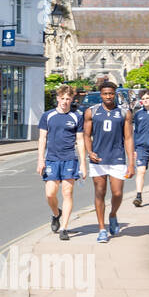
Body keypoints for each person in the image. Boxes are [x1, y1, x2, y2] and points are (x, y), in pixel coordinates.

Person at [82, 80, 134, 242]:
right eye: (105, 94)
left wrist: (131, 162)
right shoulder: (92, 112)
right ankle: (102, 229)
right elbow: (86, 135)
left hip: (117, 157)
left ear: (115, 94)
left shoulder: (124, 113)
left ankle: (112, 215)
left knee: (117, 193)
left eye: (111, 93)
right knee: (100, 193)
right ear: (101, 95)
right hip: (98, 159)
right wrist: (89, 152)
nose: (108, 96)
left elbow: (128, 138)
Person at [37, 85, 88, 242]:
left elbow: (80, 140)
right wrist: (40, 160)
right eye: (62, 98)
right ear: (58, 99)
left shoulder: (76, 117)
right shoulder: (48, 116)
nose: (65, 101)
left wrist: (83, 164)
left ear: (72, 100)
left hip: (69, 159)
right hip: (52, 159)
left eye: (68, 99)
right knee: (50, 193)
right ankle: (56, 214)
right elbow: (42, 138)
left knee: (67, 193)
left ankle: (64, 228)